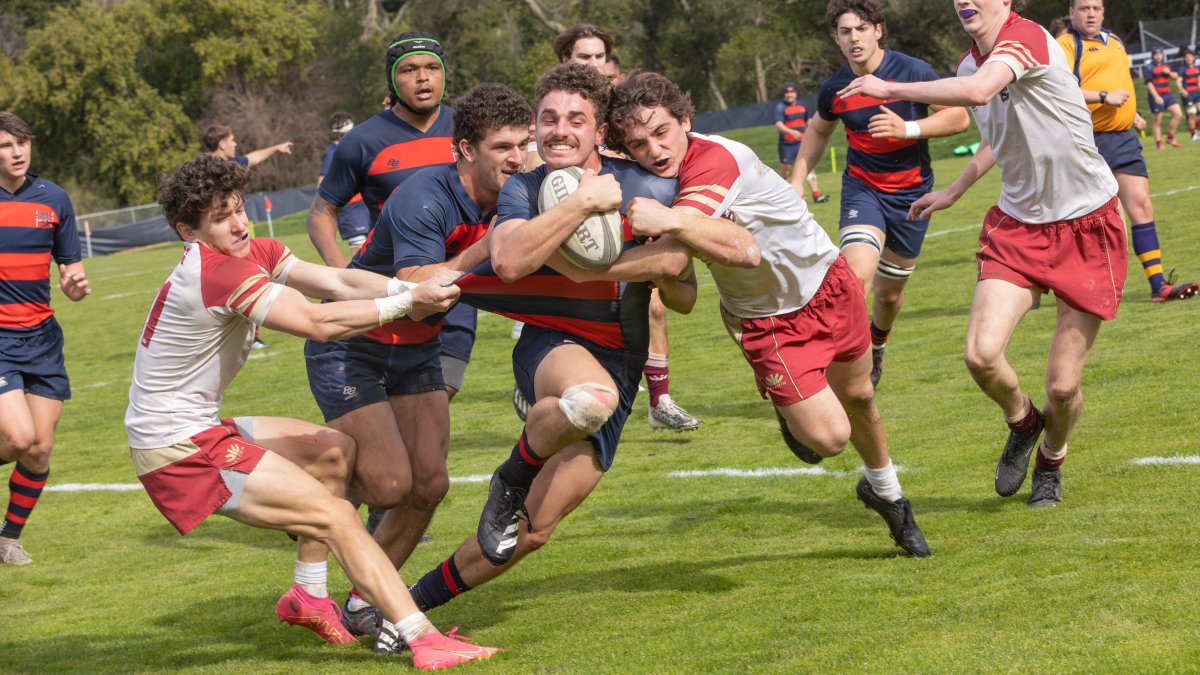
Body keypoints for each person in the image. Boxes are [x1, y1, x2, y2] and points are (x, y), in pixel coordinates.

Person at [126, 155, 496, 668]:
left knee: (334, 452)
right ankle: (423, 638)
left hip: (194, 427)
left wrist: (409, 289)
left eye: (238, 208)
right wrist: (406, 305)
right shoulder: (214, 273)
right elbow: (317, 323)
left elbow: (340, 283)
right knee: (339, 517)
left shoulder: (253, 251)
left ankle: (306, 595)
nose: (238, 223)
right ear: (189, 231)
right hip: (176, 447)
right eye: (219, 217)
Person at [405, 63, 700, 612]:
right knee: (589, 398)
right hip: (553, 344)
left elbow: (685, 296)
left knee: (532, 530)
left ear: (600, 131)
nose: (559, 129)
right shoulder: (525, 186)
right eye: (548, 118)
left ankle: (403, 609)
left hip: (624, 358)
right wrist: (582, 204)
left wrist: (660, 262)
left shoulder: (649, 185)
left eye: (575, 119)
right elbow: (511, 260)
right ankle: (511, 476)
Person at [607, 71, 932, 557]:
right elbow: (684, 290)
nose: (653, 149)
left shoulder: (713, 159)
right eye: (637, 144)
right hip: (769, 320)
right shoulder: (656, 185)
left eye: (661, 133)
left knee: (861, 395)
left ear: (686, 122)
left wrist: (663, 224)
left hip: (828, 282)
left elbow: (693, 245)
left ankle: (888, 495)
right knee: (831, 437)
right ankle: (794, 410)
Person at [839, 0, 1127, 507]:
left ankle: (1051, 460)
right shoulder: (972, 64)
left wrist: (890, 89)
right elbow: (998, 135)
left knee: (1063, 387)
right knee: (980, 354)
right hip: (1018, 226)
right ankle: (1023, 420)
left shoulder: (1028, 39)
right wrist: (955, 189)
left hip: (1087, 224)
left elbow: (976, 92)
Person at [304, 82, 530, 635]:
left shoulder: (521, 189)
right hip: (353, 344)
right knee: (387, 487)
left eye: (524, 144)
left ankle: (363, 601)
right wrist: (489, 245)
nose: (518, 158)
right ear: (466, 150)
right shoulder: (422, 196)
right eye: (503, 147)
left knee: (428, 486)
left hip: (418, 348)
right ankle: (298, 488)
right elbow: (412, 283)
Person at [793, 0, 971, 389]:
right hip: (863, 191)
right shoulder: (834, 88)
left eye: (860, 28)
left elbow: (959, 117)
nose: (854, 38)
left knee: (888, 297)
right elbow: (819, 131)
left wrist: (906, 129)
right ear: (836, 39)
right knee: (855, 275)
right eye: (845, 31)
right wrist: (797, 180)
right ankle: (841, 374)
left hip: (912, 196)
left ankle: (877, 344)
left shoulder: (913, 71)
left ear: (877, 30)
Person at [547, 23, 702, 433]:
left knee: (654, 300)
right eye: (585, 57)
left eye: (600, 56)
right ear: (566, 60)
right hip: (579, 231)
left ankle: (659, 398)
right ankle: (546, 378)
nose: (595, 64)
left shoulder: (625, 105)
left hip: (630, 218)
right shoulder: (556, 115)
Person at [1059, 0, 1198, 303]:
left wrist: (1131, 113)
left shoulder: (1115, 41)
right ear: (1071, 13)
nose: (1091, 13)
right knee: (1078, 219)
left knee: (1142, 206)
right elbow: (1058, 92)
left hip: (1123, 138)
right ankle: (1054, 284)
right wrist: (1104, 97)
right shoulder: (1066, 45)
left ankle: (1158, 285)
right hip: (1085, 140)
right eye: (1083, 8)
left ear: (1103, 12)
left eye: (1096, 8)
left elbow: (1121, 81)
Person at [0, 111, 90, 566]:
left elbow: (70, 269)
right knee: (17, 437)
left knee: (39, 447)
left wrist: (74, 285)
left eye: (22, 143)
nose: (16, 153)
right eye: (5, 146)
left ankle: (7, 539)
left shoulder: (53, 198)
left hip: (42, 339)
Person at [319, 112, 371, 254]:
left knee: (372, 246)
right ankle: (358, 276)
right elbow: (322, 182)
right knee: (359, 249)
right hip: (350, 207)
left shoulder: (352, 146)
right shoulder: (332, 152)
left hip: (363, 203)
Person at [774, 83, 829, 203]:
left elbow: (808, 120)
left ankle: (816, 195)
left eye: (791, 92)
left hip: (802, 143)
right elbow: (779, 125)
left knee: (807, 166)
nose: (789, 95)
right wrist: (791, 132)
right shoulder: (781, 107)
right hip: (787, 144)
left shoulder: (802, 105)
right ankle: (780, 197)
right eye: (787, 93)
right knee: (786, 171)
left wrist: (815, 128)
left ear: (795, 93)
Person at [1143, 47, 1184, 149]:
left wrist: (1168, 73)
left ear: (1163, 55)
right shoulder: (1148, 67)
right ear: (1153, 56)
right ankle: (1159, 144)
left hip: (1168, 95)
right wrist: (1156, 96)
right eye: (1156, 54)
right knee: (1157, 121)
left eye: (1160, 54)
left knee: (1178, 114)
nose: (1158, 56)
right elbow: (1148, 84)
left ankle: (1170, 137)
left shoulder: (1166, 66)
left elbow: (1176, 76)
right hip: (1156, 96)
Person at [201, 124, 293, 168]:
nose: (235, 144)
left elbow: (253, 158)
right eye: (232, 140)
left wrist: (276, 148)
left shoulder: (232, 163)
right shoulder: (205, 171)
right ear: (222, 144)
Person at [1177, 49, 1200, 141]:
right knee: (1192, 113)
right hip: (1188, 94)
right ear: (1185, 59)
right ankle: (1193, 135)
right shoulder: (1183, 69)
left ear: (1193, 57)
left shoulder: (1197, 68)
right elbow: (1179, 82)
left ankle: (1196, 130)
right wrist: (1182, 90)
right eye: (1187, 57)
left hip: (1197, 93)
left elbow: (1198, 81)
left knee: (1197, 113)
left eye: (1190, 56)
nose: (1189, 58)